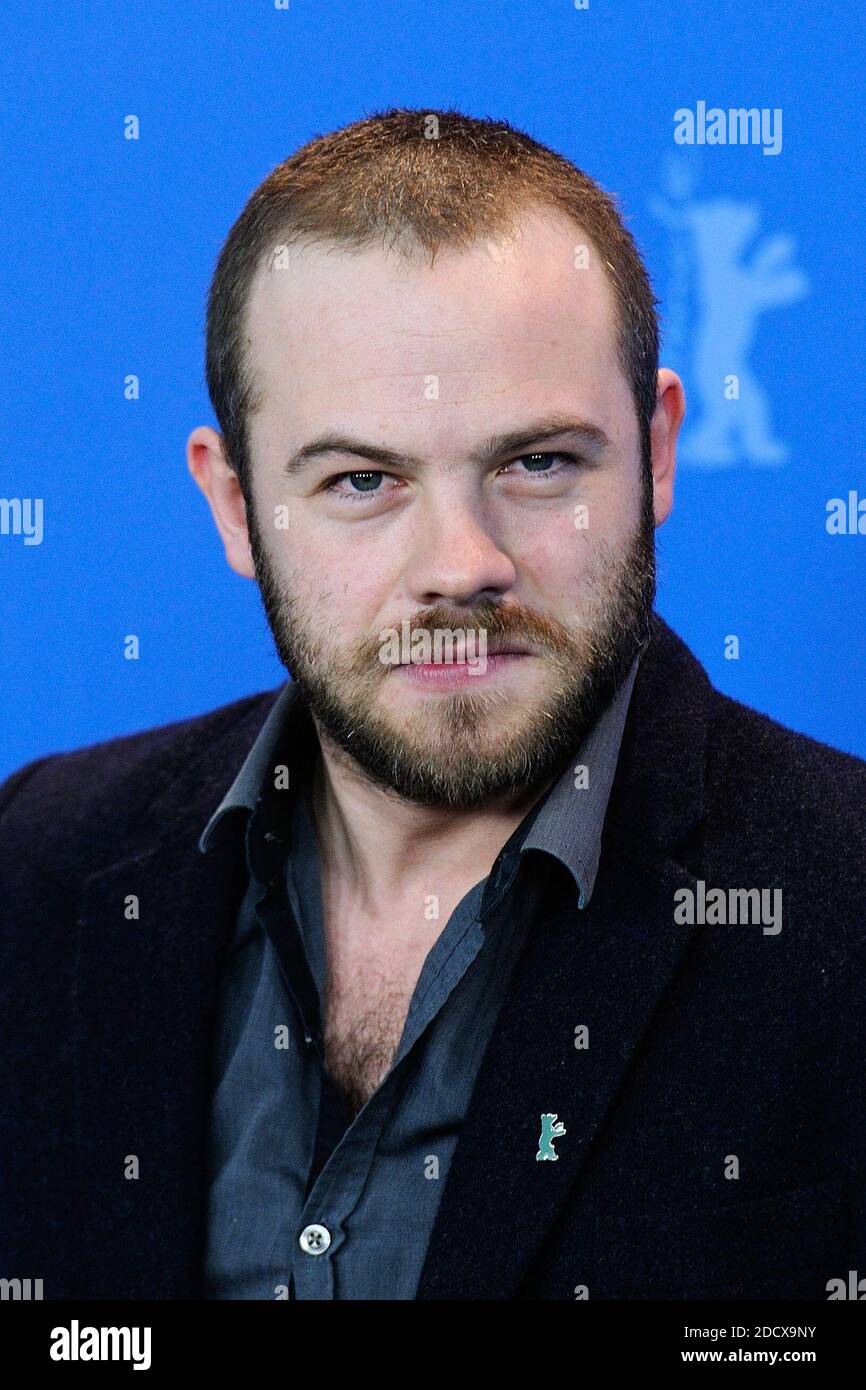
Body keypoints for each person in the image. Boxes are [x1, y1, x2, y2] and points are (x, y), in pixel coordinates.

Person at [1, 107, 864, 1301]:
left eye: (537, 462)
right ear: (236, 505)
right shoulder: (36, 864)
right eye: (362, 479)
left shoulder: (844, 900)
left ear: (658, 450)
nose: (460, 562)